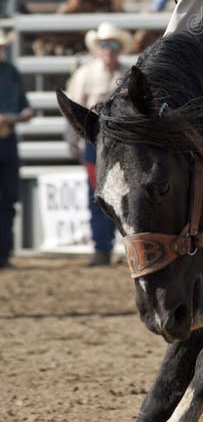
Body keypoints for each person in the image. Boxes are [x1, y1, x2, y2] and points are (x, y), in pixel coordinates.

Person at [65, 21, 132, 266]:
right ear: (98, 47)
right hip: (96, 145)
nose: (108, 49)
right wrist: (73, 141)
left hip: (123, 144)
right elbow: (72, 112)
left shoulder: (128, 72)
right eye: (104, 44)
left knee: (127, 196)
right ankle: (101, 248)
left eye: (112, 44)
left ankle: (123, 247)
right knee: (98, 196)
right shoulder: (85, 75)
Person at [0, 29, 33, 269]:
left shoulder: (11, 72)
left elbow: (24, 104)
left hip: (8, 139)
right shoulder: (11, 72)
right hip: (8, 136)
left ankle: (4, 253)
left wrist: (24, 114)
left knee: (9, 197)